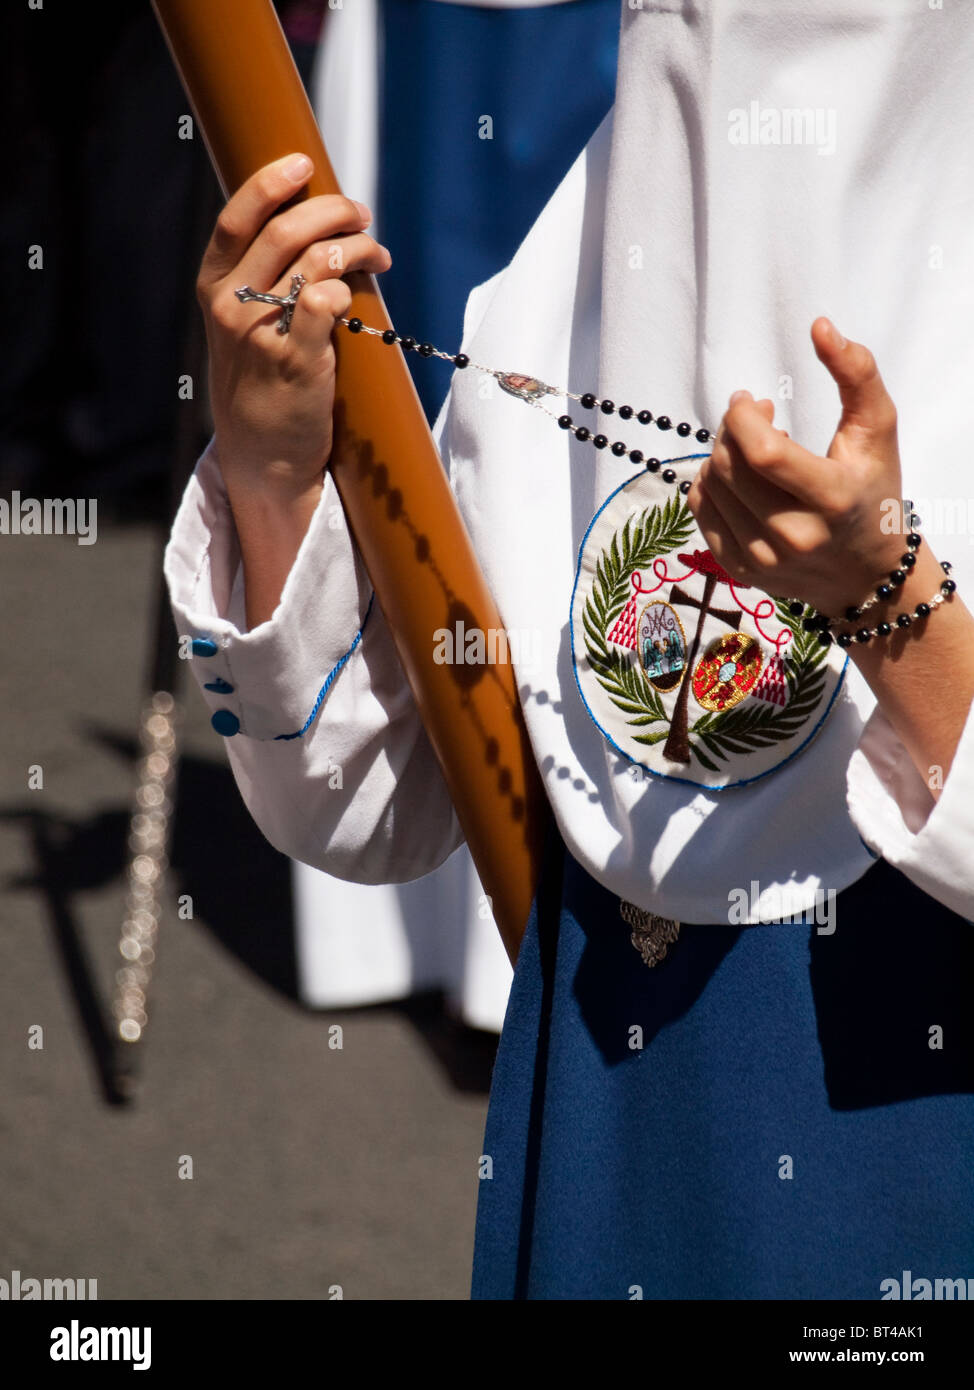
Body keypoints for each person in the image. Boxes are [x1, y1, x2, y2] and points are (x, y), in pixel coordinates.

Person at [166, 0, 974, 1299]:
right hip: (611, 1125)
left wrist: (884, 599)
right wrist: (272, 466)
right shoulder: (582, 263)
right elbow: (366, 794)